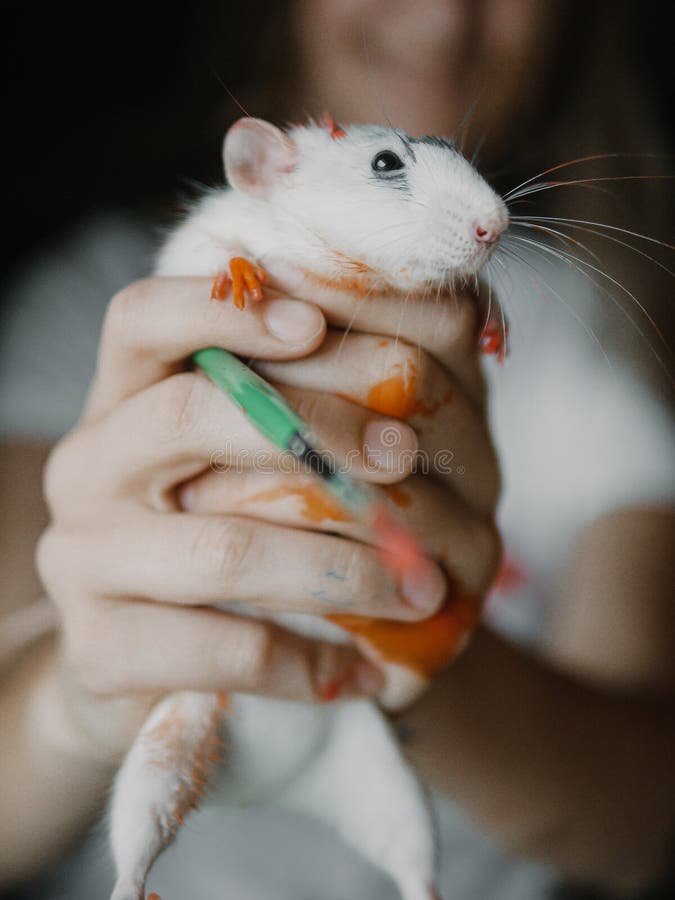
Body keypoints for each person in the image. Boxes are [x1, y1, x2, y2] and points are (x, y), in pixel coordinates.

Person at [1, 2, 673, 899]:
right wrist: (78, 698)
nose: (440, 21)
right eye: (391, 166)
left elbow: (646, 824)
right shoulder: (89, 296)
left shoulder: (588, 332)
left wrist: (422, 648)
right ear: (264, 168)